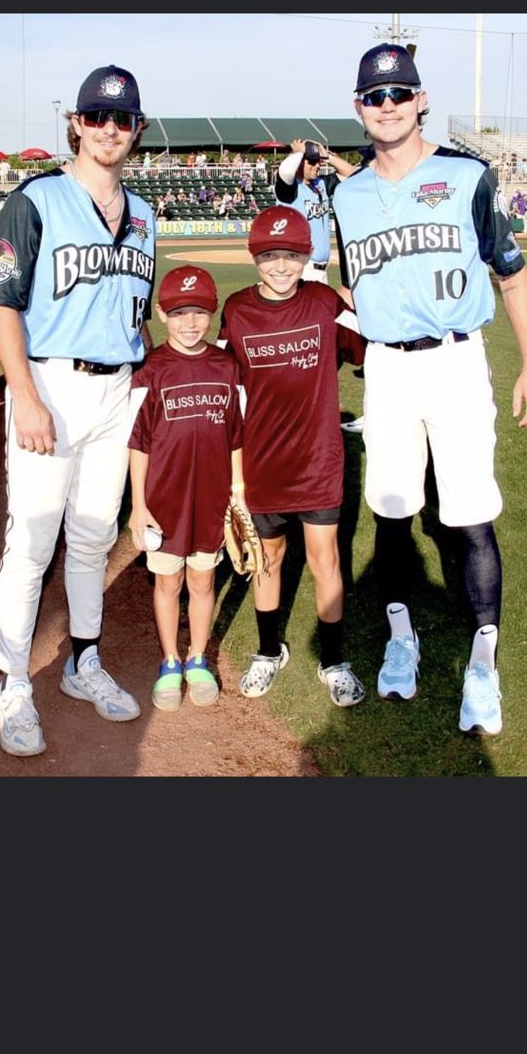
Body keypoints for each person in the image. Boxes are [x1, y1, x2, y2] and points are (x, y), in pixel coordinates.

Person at [332, 41, 527, 736]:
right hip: (388, 367)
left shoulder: (466, 175)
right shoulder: (347, 195)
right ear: (359, 107)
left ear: (421, 99)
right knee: (392, 511)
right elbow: (356, 286)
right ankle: (402, 639)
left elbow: (511, 272)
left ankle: (483, 666)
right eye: (375, 96)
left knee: (470, 515)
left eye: (400, 93)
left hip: (456, 362)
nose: (388, 106)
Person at [0, 64, 156, 758]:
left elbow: (138, 318)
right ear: (77, 124)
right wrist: (25, 395)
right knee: (31, 542)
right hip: (51, 386)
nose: (110, 128)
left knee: (92, 536)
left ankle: (83, 660)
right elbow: (2, 304)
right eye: (97, 116)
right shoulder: (34, 201)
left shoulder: (144, 214)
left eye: (123, 119)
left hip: (117, 390)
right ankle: (12, 683)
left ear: (137, 129)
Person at [218, 205, 366, 708]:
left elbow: (369, 350)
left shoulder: (325, 303)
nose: (281, 266)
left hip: (318, 459)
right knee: (269, 557)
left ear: (307, 257)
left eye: (291, 255)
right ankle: (267, 651)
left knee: (326, 559)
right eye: (269, 256)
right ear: (253, 257)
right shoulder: (238, 310)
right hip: (262, 463)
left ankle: (334, 661)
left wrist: (356, 303)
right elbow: (226, 384)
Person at [128, 265, 245, 711]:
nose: (190, 323)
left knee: (202, 578)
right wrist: (139, 505)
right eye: (179, 313)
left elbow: (236, 436)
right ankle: (170, 660)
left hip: (211, 499)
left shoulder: (226, 366)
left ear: (213, 313)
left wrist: (238, 491)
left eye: (199, 312)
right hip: (164, 501)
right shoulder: (150, 370)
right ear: (161, 314)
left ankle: (196, 657)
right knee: (168, 581)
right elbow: (138, 443)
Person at [274, 138, 358, 283]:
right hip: (300, 269)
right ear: (299, 164)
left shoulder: (321, 184)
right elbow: (285, 172)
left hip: (321, 272)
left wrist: (328, 157)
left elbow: (353, 174)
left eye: (318, 161)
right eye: (312, 162)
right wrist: (297, 154)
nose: (317, 165)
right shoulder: (290, 189)